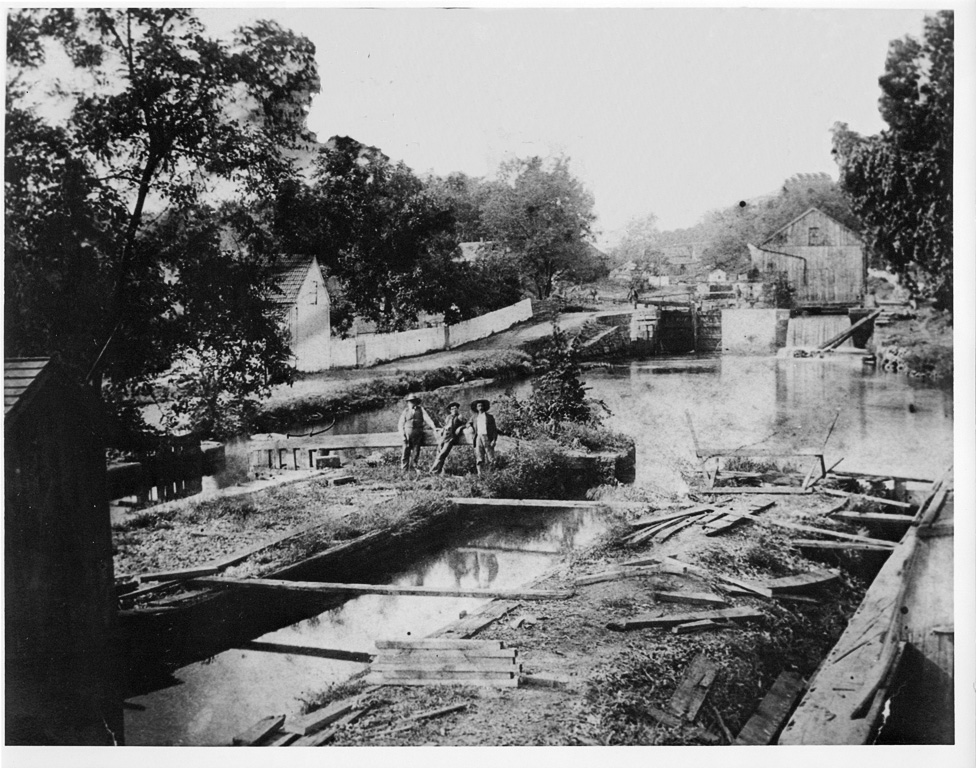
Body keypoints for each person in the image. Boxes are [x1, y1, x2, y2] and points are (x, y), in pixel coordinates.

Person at [397, 395, 438, 472]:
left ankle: (413, 469)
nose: (411, 403)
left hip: (418, 435)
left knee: (416, 452)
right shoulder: (405, 411)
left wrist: (434, 427)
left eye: (413, 401)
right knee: (405, 452)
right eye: (410, 401)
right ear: (408, 403)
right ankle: (404, 470)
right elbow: (400, 424)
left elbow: (428, 419)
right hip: (407, 435)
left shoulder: (421, 410)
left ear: (416, 402)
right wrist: (402, 435)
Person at [429, 401, 468, 474]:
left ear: (457, 409)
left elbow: (467, 424)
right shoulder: (448, 417)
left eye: (455, 408)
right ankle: (439, 471)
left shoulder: (460, 416)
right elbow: (446, 425)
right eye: (452, 409)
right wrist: (441, 429)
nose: (454, 410)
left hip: (451, 437)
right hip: (444, 436)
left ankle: (433, 471)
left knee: (442, 454)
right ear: (450, 410)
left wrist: (460, 427)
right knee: (439, 453)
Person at [469, 399, 498, 476]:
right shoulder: (474, 417)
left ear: (484, 407)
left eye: (482, 405)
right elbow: (468, 424)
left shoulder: (489, 417)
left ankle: (492, 474)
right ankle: (480, 475)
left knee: (491, 457)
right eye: (478, 406)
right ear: (476, 408)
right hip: (478, 437)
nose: (480, 407)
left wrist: (494, 440)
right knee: (479, 457)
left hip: (487, 437)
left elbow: (494, 429)